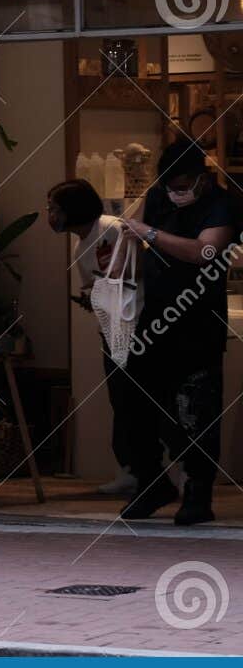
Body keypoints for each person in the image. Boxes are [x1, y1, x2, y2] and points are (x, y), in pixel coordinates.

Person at [120, 137, 237, 526]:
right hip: (154, 318)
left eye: (182, 184)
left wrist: (150, 235)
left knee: (197, 409)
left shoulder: (220, 204)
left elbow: (205, 252)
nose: (176, 192)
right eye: (170, 185)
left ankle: (198, 491)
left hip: (198, 320)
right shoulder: (159, 197)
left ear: (201, 178)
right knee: (141, 404)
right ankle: (152, 482)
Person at [45, 179, 139, 495]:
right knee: (122, 401)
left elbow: (132, 273)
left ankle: (163, 471)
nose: (51, 215)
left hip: (139, 328)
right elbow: (96, 287)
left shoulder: (110, 228)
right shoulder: (80, 246)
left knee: (142, 399)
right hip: (112, 333)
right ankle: (130, 469)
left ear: (74, 209)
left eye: (55, 209)